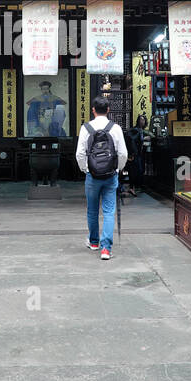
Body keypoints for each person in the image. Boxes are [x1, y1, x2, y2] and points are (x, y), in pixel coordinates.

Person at [76, 96, 128, 260]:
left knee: (92, 210)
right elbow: (123, 153)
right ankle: (106, 249)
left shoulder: (86, 128)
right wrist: (118, 168)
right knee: (108, 211)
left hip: (92, 176)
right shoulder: (116, 128)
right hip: (111, 175)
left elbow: (79, 154)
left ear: (93, 110)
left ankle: (94, 242)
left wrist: (86, 169)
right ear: (108, 110)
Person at [124, 114, 149, 197]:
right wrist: (143, 139)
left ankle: (134, 187)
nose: (142, 121)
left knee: (138, 170)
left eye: (143, 120)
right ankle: (132, 187)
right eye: (140, 120)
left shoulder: (141, 130)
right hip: (134, 154)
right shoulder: (135, 130)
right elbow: (132, 140)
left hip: (139, 154)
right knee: (134, 170)